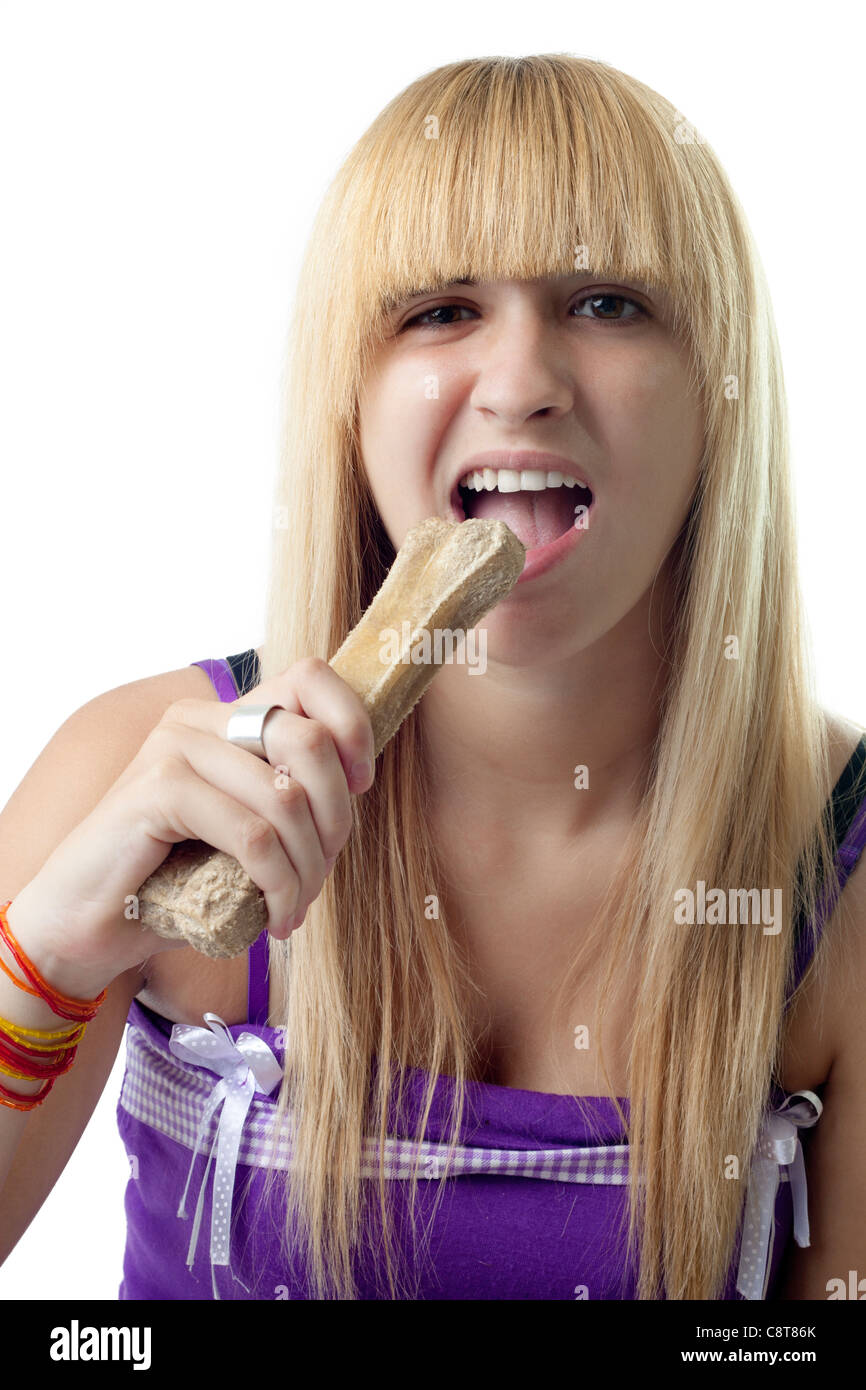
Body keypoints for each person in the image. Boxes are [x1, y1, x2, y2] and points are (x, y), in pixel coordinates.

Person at [1, 53, 864, 1302]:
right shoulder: (140, 777)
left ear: (715, 403)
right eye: (438, 309)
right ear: (347, 402)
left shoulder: (836, 869)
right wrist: (48, 957)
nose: (519, 384)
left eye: (608, 302)